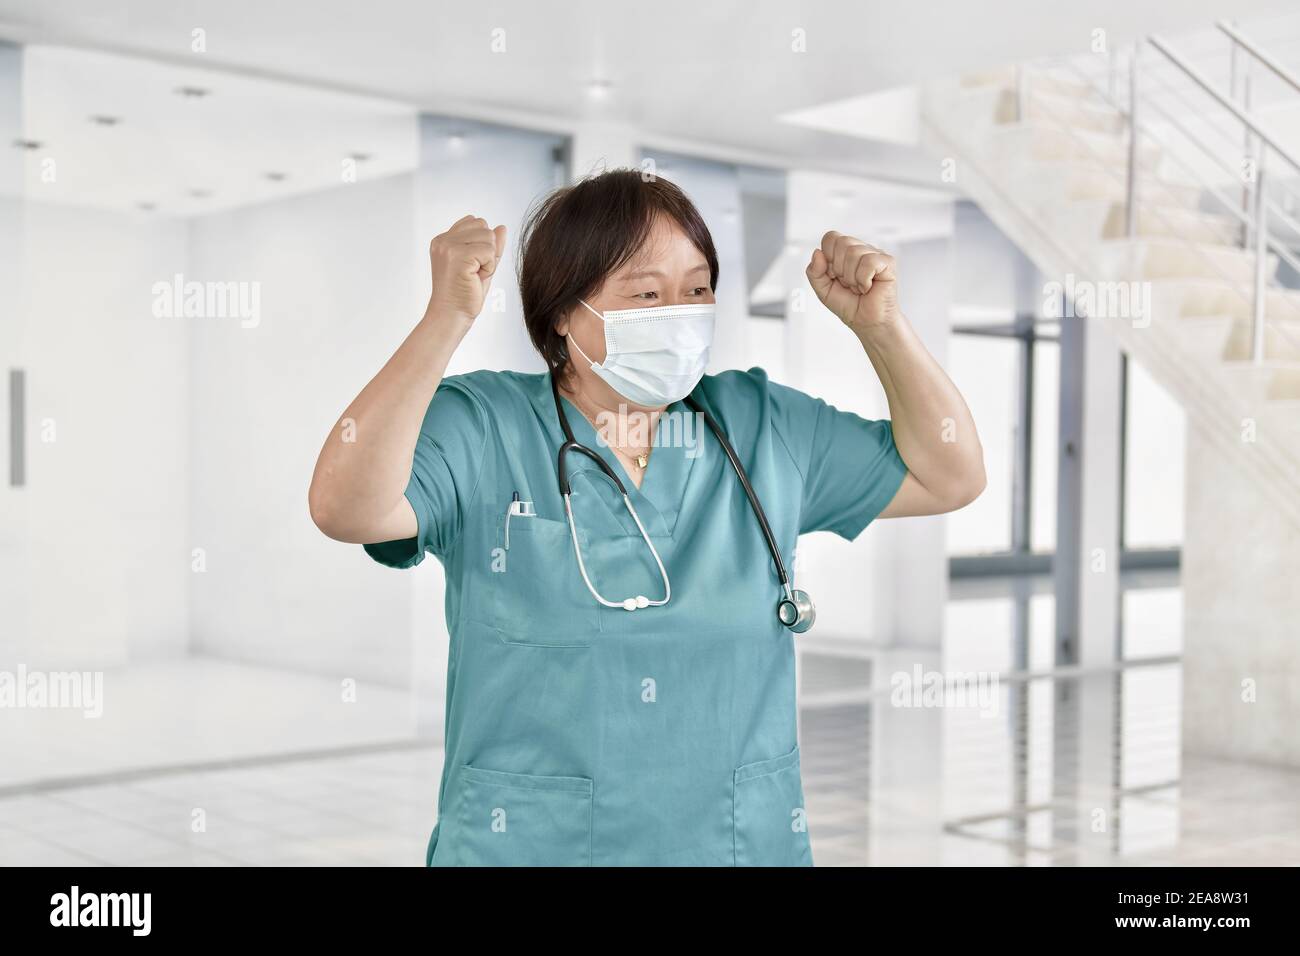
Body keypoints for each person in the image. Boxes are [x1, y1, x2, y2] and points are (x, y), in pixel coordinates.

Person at [307, 168, 984, 866]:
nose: (681, 312)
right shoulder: (485, 426)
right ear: (564, 314)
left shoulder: (758, 424)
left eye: (697, 289)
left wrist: (884, 330)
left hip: (734, 847)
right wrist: (444, 318)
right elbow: (345, 506)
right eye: (647, 294)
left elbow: (951, 473)